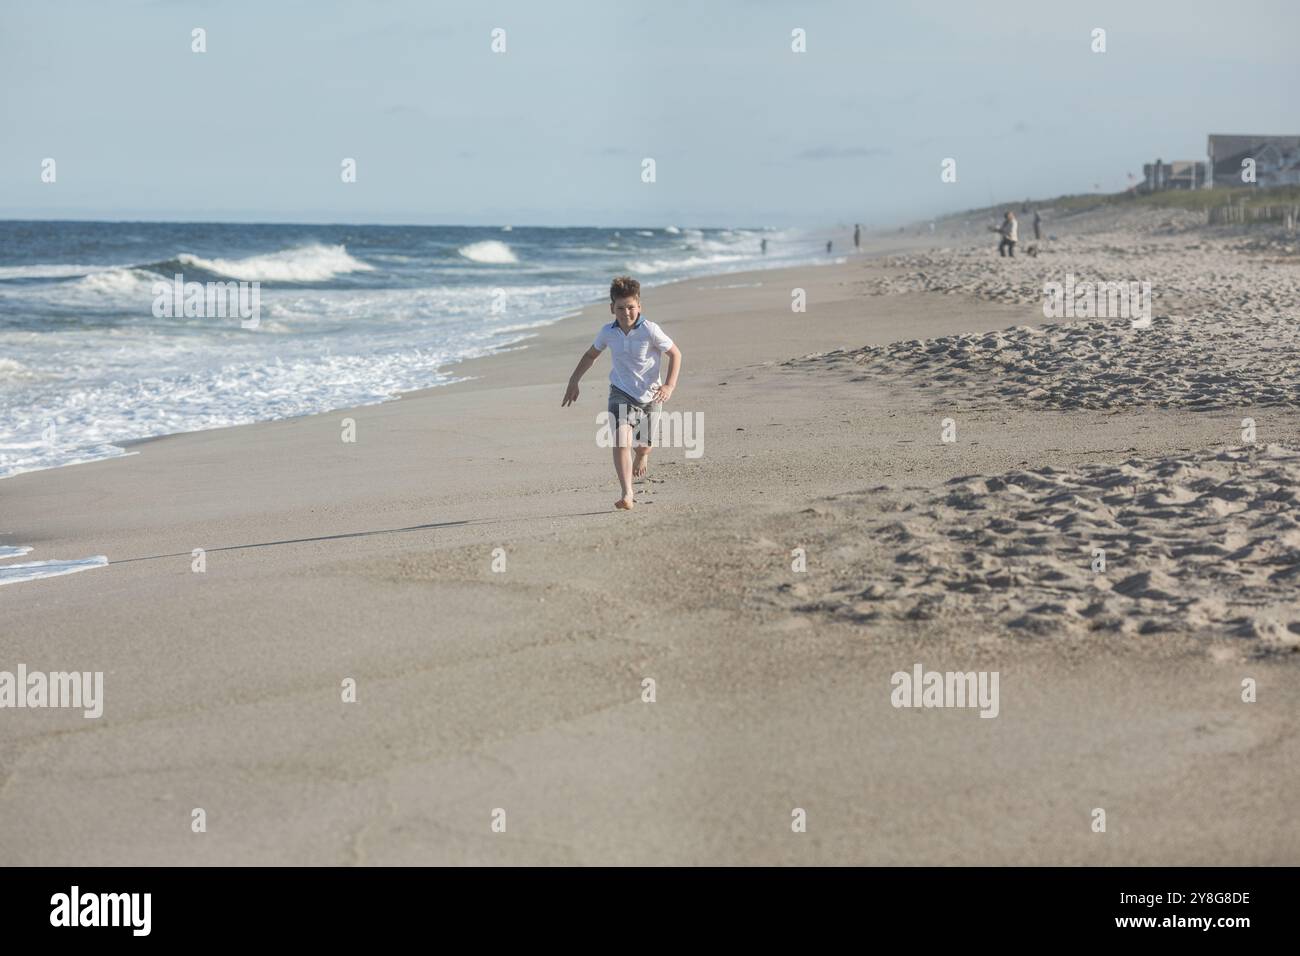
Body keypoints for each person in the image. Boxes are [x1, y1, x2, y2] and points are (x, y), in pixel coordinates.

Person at [562, 276, 682, 511]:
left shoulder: (650, 330)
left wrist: (669, 386)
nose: (626, 312)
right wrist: (573, 381)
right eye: (620, 308)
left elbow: (676, 355)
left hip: (651, 395)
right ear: (611, 308)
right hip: (621, 392)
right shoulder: (607, 332)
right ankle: (627, 493)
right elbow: (590, 356)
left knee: (643, 445)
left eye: (630, 307)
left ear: (639, 307)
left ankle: (643, 453)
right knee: (621, 440)